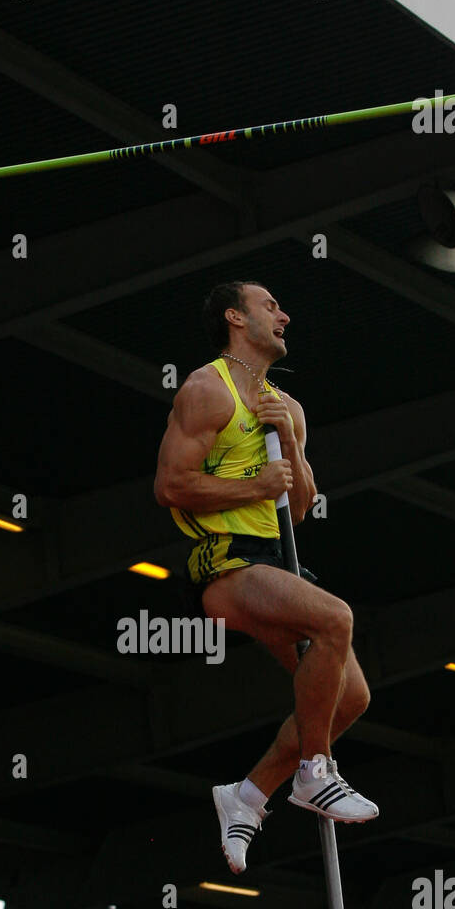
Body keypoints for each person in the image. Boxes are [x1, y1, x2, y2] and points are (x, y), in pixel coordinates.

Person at [153, 280, 377, 875]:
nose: (284, 313)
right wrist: (257, 484)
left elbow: (299, 507)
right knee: (336, 618)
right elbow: (170, 486)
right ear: (235, 318)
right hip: (225, 560)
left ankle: (247, 796)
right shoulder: (206, 389)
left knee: (350, 698)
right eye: (269, 305)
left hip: (277, 556)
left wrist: (293, 450)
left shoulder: (288, 407)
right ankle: (314, 773)